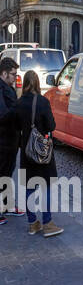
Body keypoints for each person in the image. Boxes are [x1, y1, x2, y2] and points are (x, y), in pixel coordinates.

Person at [14, 71, 62, 237]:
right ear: (37, 83)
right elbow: (51, 125)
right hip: (42, 152)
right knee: (46, 186)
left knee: (29, 187)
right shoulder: (42, 102)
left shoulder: (19, 103)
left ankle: (33, 223)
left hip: (27, 152)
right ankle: (48, 223)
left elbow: (15, 126)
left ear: (25, 83)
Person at [0, 57, 20, 223]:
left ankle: (7, 206)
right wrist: (18, 112)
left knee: (7, 173)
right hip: (2, 140)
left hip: (11, 140)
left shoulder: (9, 87)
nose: (15, 77)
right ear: (4, 73)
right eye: (13, 74)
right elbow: (3, 114)